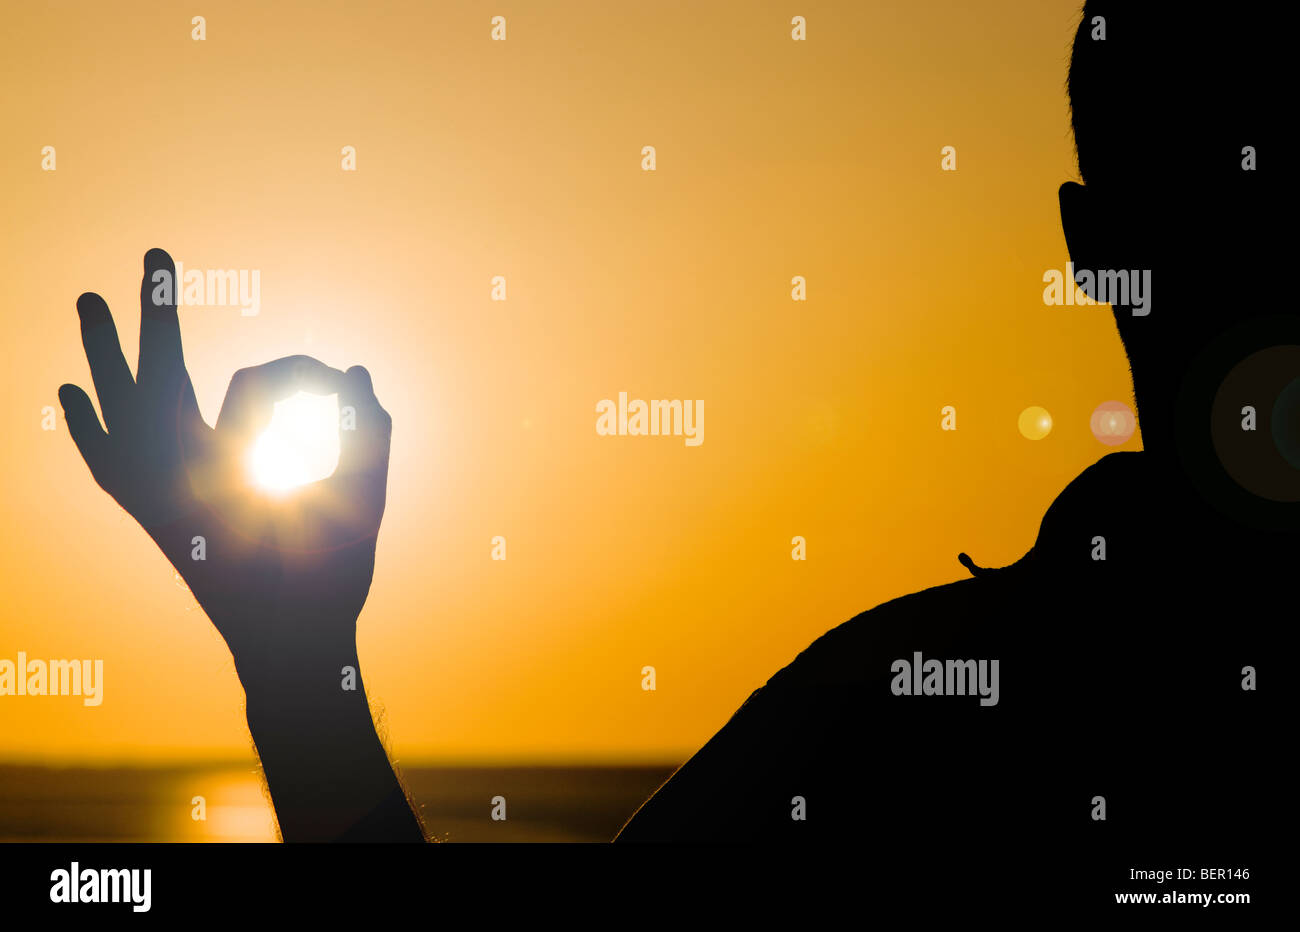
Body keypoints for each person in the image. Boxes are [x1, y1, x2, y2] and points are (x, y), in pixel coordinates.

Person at [59, 1, 1289, 859]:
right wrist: (293, 665)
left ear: (1086, 247)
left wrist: (296, 670)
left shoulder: (896, 715)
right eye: (1231, 190)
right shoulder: (887, 722)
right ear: (1093, 248)